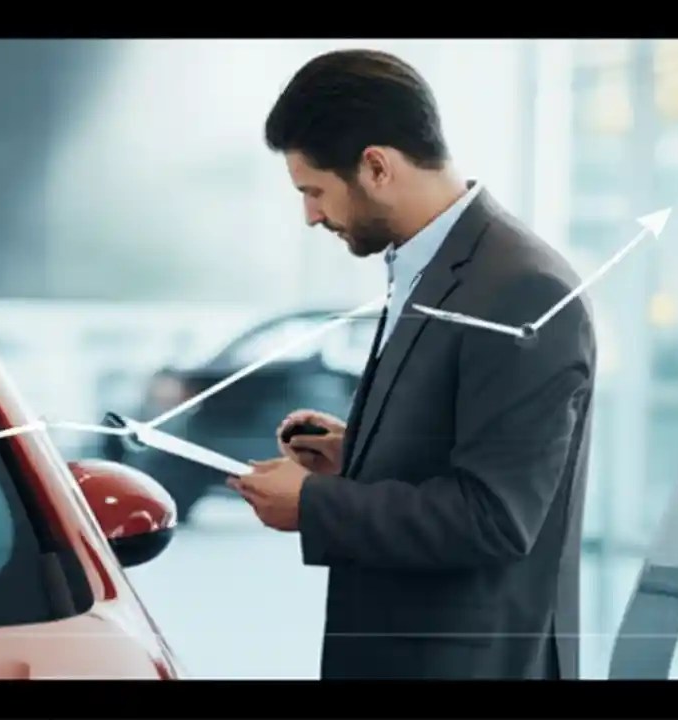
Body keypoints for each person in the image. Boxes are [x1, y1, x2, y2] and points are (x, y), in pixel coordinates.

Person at [226, 48, 598, 680]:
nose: (311, 215)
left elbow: (495, 517)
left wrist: (315, 504)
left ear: (376, 167)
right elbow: (464, 449)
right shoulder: (435, 264)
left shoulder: (523, 289)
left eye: (314, 191)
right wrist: (357, 455)